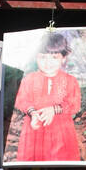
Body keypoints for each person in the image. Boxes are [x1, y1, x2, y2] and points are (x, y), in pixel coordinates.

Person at [12, 32, 82, 163]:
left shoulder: (70, 81)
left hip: (60, 133)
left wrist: (54, 110)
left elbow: (74, 104)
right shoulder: (29, 79)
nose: (47, 63)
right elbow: (21, 100)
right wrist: (33, 113)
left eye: (54, 57)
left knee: (60, 166)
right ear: (36, 57)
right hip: (34, 130)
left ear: (63, 58)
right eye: (42, 57)